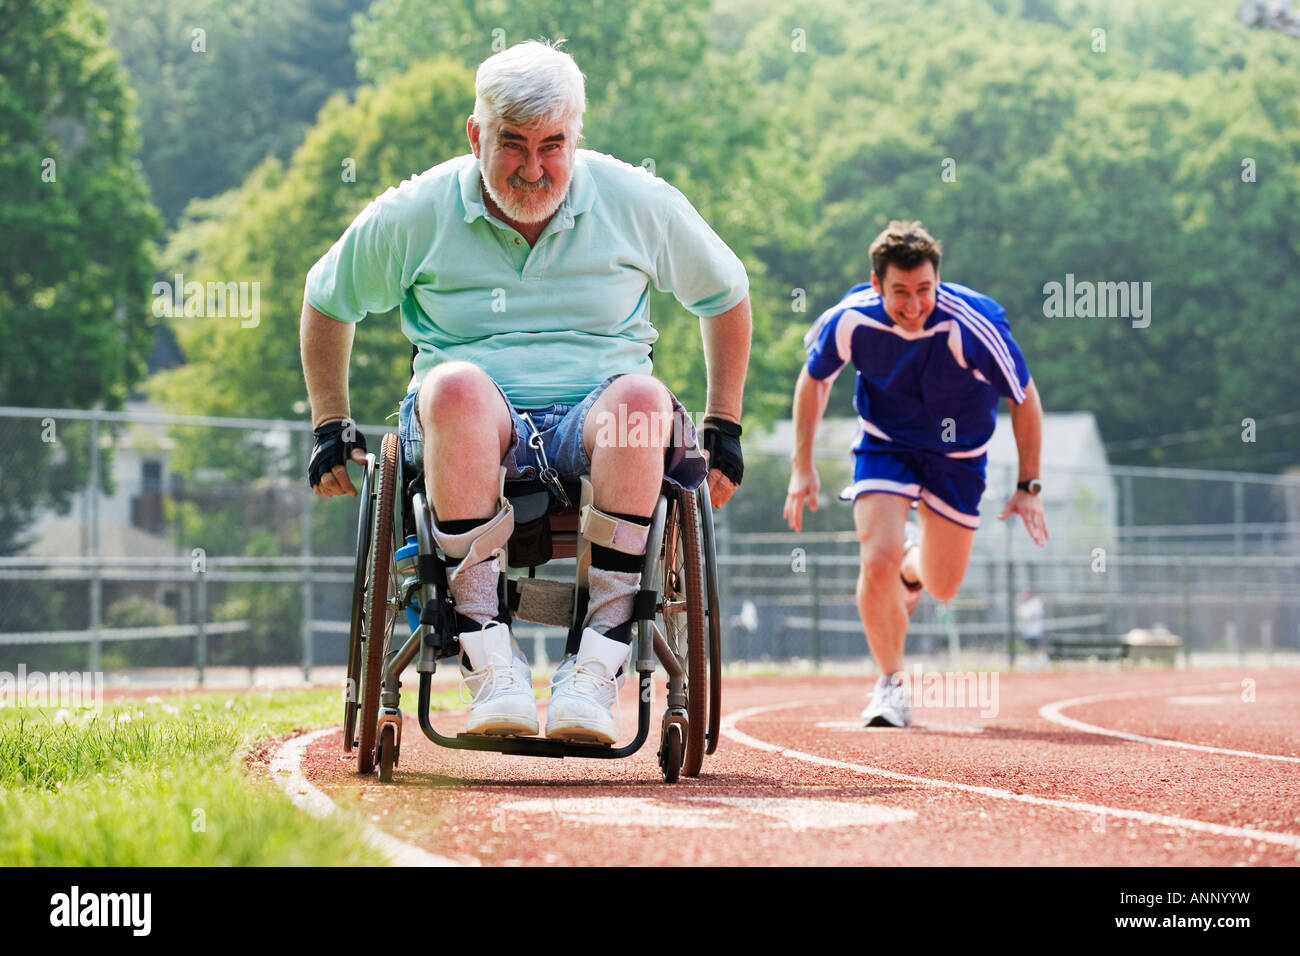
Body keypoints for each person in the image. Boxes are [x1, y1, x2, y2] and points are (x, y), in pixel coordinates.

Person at [300, 41, 750, 744]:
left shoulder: (634, 200)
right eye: (512, 145)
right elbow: (326, 299)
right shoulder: (417, 211)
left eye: (553, 146)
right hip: (469, 418)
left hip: (599, 408)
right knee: (454, 388)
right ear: (476, 134)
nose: (533, 168)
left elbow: (727, 295)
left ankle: (597, 667)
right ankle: (488, 661)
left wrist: (725, 423)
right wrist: (331, 423)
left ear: (578, 136)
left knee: (643, 400)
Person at [784, 220, 1047, 727]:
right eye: (900, 291)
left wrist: (1028, 486)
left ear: (937, 283)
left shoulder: (973, 325)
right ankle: (891, 686)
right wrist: (802, 466)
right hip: (887, 445)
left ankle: (913, 565)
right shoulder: (850, 319)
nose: (913, 304)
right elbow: (814, 380)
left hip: (958, 457)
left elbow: (1023, 397)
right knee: (875, 560)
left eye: (924, 290)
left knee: (943, 586)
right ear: (876, 282)